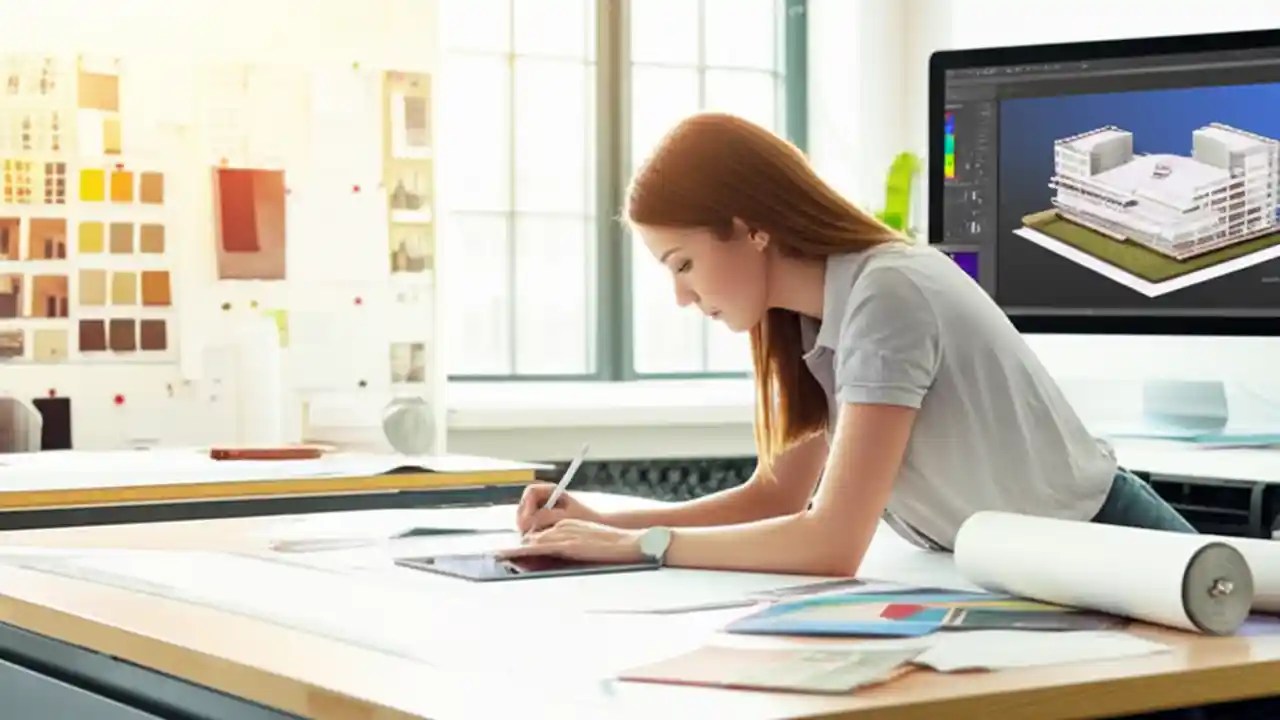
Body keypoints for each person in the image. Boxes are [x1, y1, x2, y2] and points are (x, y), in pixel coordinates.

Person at [500, 112, 1195, 576]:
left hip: (1113, 547)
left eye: (683, 264)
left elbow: (832, 544)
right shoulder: (803, 316)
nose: (682, 296)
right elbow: (777, 496)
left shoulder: (886, 294)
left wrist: (634, 545)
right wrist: (602, 523)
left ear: (751, 229)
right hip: (1024, 563)